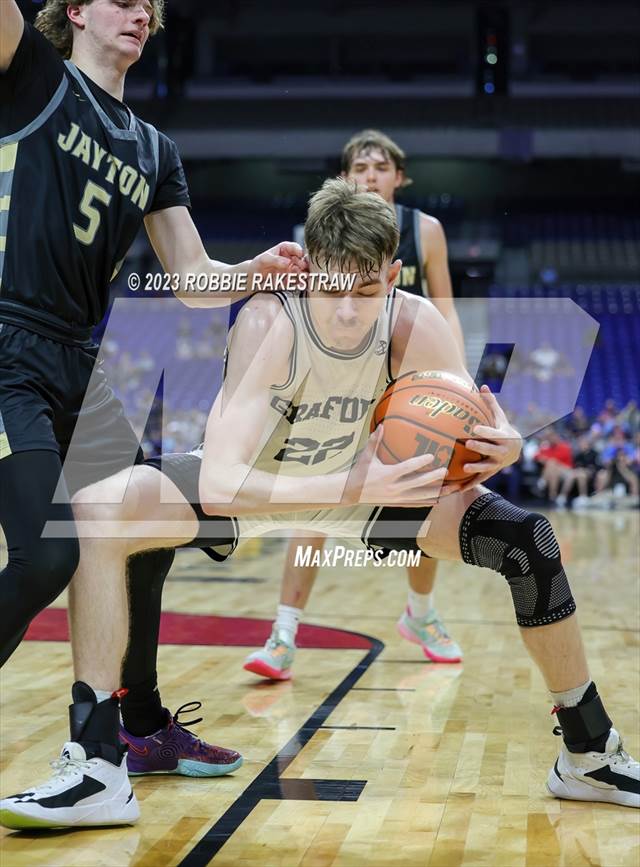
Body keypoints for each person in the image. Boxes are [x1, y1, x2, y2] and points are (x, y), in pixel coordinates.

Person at [4, 178, 636, 831]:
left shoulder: (417, 325)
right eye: (331, 288)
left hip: (367, 488)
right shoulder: (267, 320)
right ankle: (99, 761)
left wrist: (495, 450)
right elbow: (223, 479)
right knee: (99, 510)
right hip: (264, 482)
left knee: (525, 538)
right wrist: (346, 486)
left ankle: (587, 753)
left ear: (393, 274)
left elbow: (459, 447)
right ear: (307, 268)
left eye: (366, 292)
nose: (346, 311)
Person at [0, 0, 305, 830]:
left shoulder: (153, 147)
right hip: (8, 344)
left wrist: (254, 270)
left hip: (80, 361)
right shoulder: (32, 76)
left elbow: (190, 273)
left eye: (149, 6)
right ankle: (100, 745)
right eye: (123, 0)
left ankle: (137, 730)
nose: (140, 13)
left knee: (142, 534)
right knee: (43, 558)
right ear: (75, 11)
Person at [245, 130, 466, 681]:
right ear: (344, 180)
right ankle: (285, 632)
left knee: (425, 494)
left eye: (381, 166)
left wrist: (456, 377)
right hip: (339, 376)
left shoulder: (424, 230)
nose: (370, 173)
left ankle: (420, 614)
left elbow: (446, 308)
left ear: (399, 177)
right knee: (318, 502)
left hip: (405, 380)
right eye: (360, 166)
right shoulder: (322, 235)